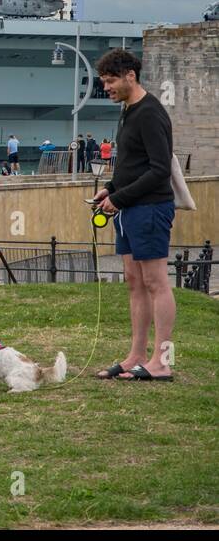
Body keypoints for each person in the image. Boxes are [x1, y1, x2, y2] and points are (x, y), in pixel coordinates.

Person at [92, 49, 178, 382]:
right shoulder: (128, 110)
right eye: (104, 82)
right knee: (134, 282)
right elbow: (133, 162)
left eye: (111, 81)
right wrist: (111, 189)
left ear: (131, 75)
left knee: (156, 282)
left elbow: (159, 171)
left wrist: (120, 198)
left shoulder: (150, 114)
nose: (107, 88)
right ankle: (137, 354)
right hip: (129, 207)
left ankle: (163, 361)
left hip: (150, 208)